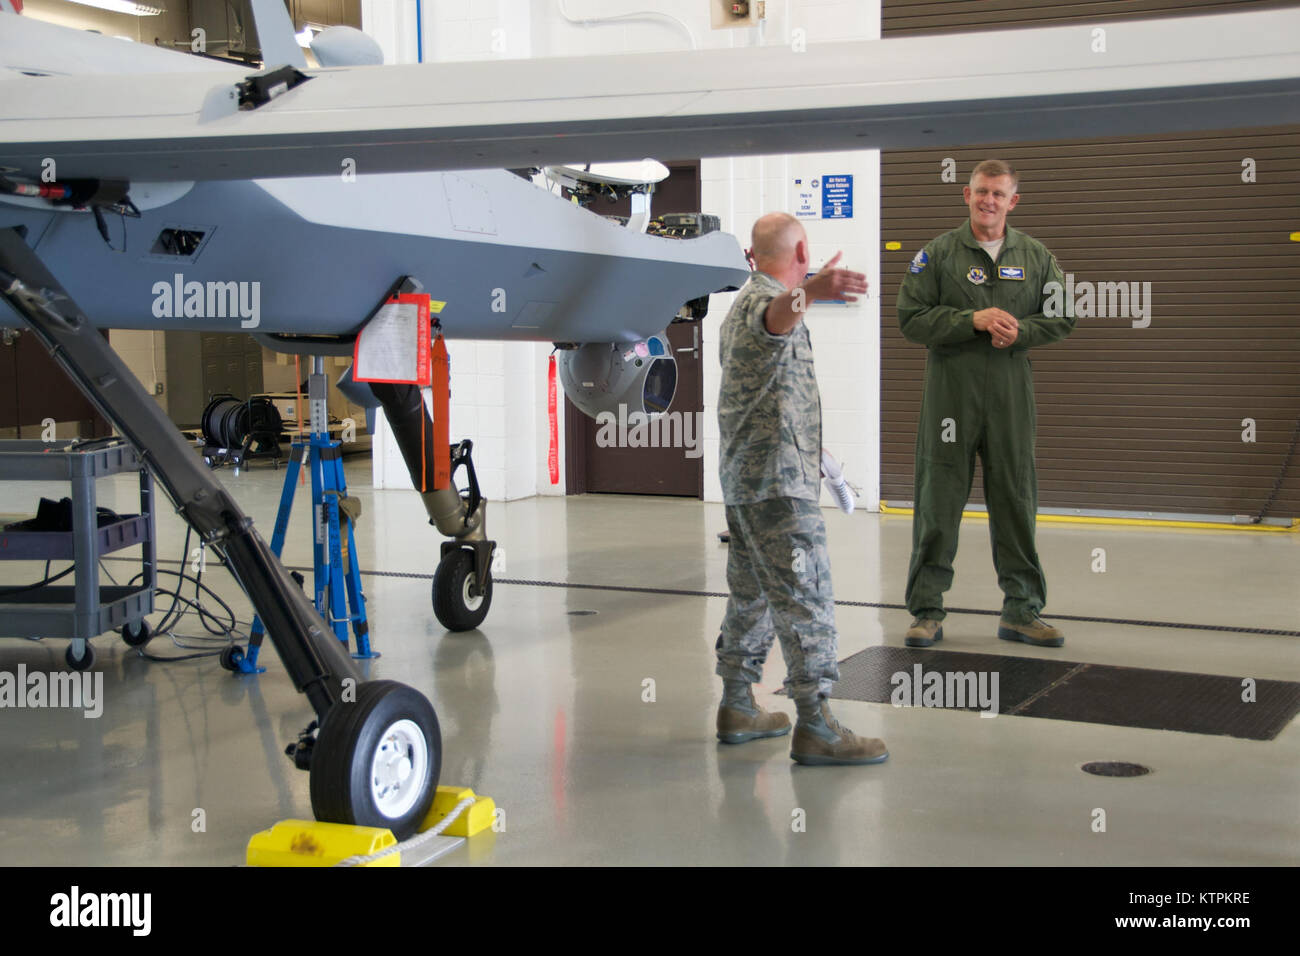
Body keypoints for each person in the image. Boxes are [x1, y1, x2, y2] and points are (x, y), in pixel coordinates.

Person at [714, 211, 886, 766]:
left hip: (751, 481)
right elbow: (776, 319)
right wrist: (813, 291)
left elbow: (770, 395)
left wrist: (823, 460)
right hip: (777, 490)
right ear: (802, 252)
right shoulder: (766, 304)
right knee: (806, 600)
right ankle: (816, 723)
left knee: (754, 597)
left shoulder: (739, 307)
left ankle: (738, 704)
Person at [898, 159, 1075, 649]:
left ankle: (1022, 611)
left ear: (1012, 200)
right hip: (949, 400)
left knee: (1016, 501)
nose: (988, 201)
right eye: (980, 192)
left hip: (1009, 399)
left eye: (998, 193)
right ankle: (926, 613)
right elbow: (910, 318)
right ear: (967, 195)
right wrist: (969, 321)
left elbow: (1064, 316)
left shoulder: (1036, 256)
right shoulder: (937, 255)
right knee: (938, 501)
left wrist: (1023, 331)